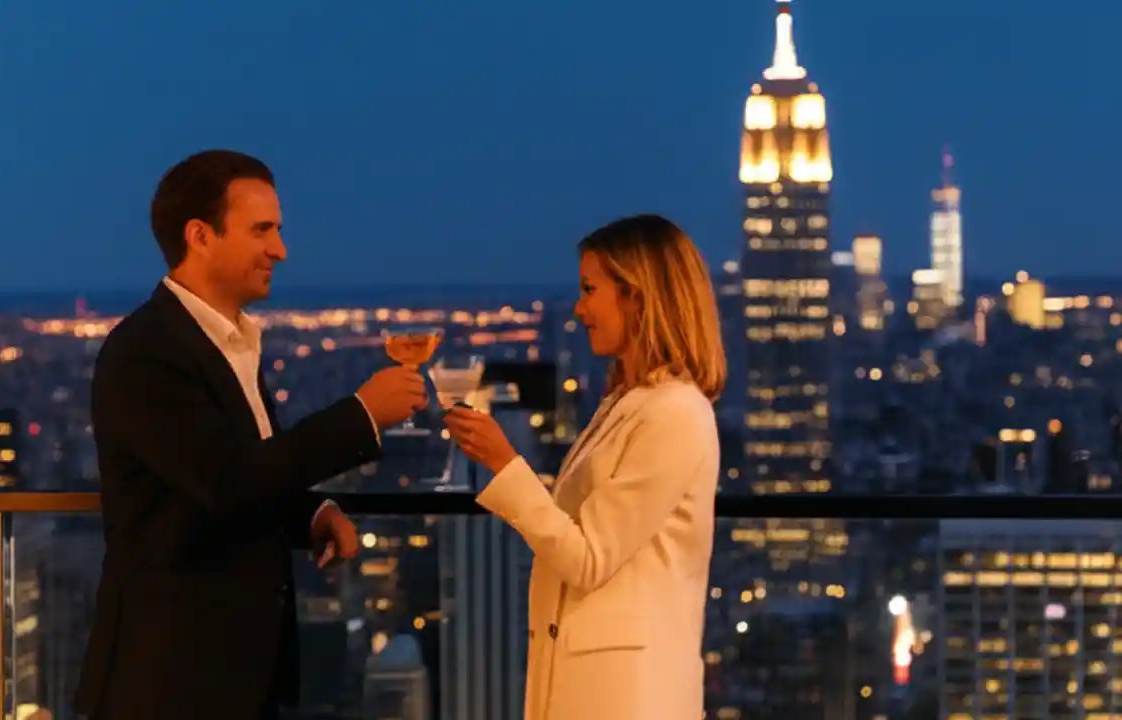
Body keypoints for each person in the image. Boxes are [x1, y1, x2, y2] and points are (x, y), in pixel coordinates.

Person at [74, 149, 427, 720]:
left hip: (233, 679)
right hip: (172, 682)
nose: (280, 250)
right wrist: (361, 416)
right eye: (262, 230)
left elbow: (236, 477)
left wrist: (308, 516)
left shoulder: (228, 345)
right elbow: (224, 479)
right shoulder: (146, 352)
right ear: (200, 236)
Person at [446, 214, 725, 719]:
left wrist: (504, 463)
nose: (579, 308)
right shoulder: (629, 402)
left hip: (628, 695)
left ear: (637, 296)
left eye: (590, 289)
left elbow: (588, 557)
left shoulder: (675, 413)